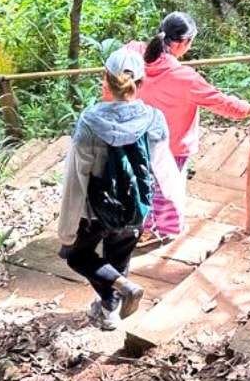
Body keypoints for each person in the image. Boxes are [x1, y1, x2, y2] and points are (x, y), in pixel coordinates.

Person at [107, 12, 250, 239]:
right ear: (184, 43)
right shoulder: (184, 77)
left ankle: (141, 225)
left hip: (132, 137)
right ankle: (167, 231)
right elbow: (221, 103)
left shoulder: (131, 52)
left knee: (139, 182)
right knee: (167, 189)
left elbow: (110, 78)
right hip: (170, 144)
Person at [58, 49, 183, 330]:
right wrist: (175, 203)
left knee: (76, 255)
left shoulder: (90, 121)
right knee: (119, 257)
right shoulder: (154, 119)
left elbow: (76, 177)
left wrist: (67, 226)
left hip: (94, 211)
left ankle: (116, 298)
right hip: (134, 208)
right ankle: (111, 309)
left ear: (106, 80)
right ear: (141, 83)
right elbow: (164, 167)